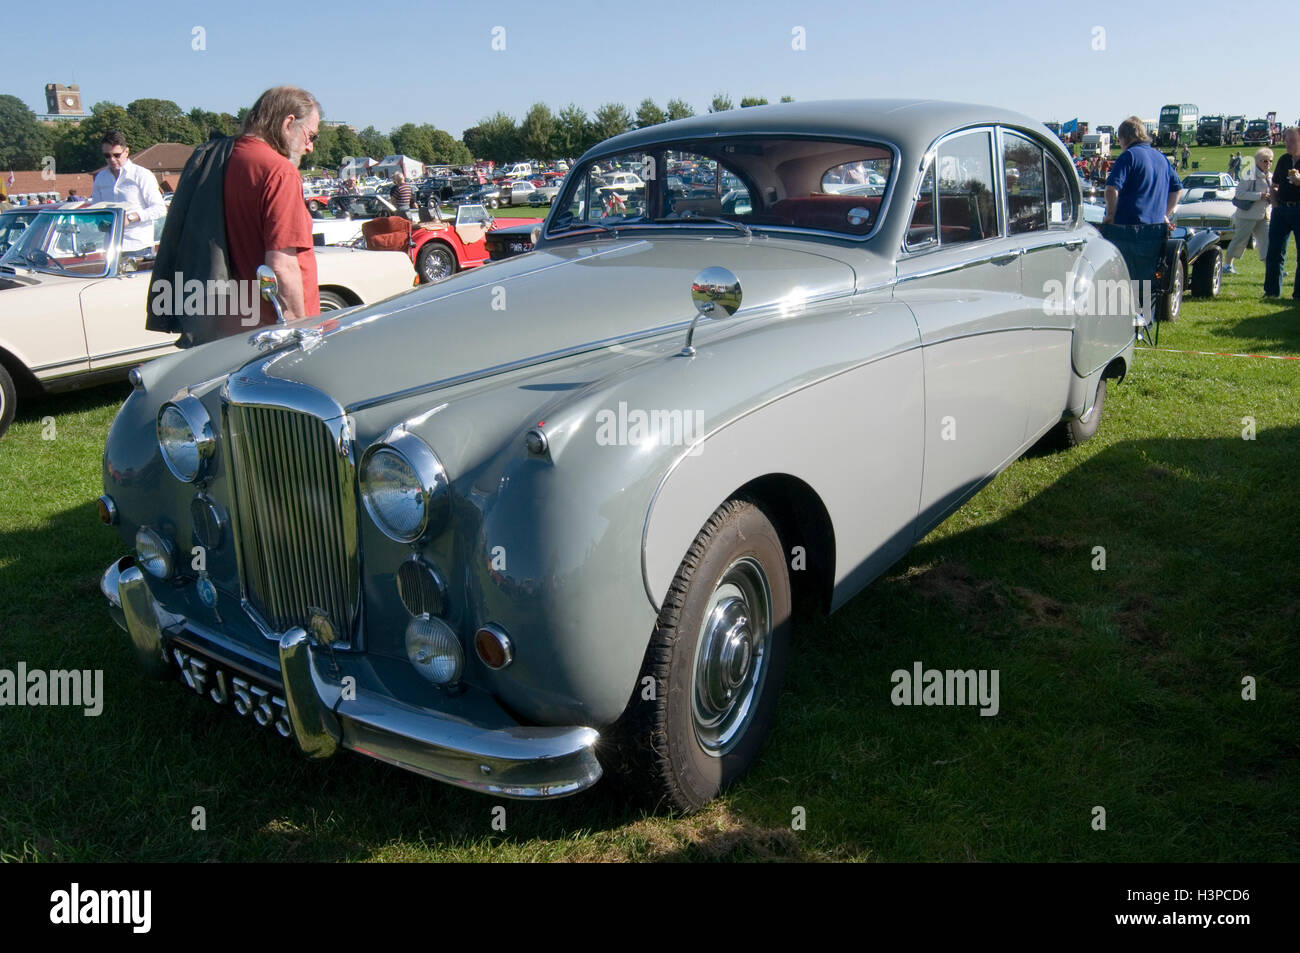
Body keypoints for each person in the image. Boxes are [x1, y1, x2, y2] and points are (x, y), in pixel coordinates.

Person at [224, 85, 322, 324]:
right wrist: (300, 330)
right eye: (311, 136)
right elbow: (282, 266)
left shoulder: (225, 160)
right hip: (273, 325)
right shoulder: (279, 171)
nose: (309, 147)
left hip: (230, 321)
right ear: (288, 123)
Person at [1103, 117, 1184, 324]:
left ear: (1124, 138)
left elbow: (1112, 188)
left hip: (1127, 229)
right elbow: (1177, 189)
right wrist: (1166, 213)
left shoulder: (1129, 156)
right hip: (1155, 230)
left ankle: (1120, 320)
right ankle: (1145, 318)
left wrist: (1110, 214)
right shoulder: (1161, 158)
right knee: (1148, 277)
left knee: (1122, 275)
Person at [91, 130, 166, 254]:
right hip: (110, 248)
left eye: (116, 155)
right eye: (107, 156)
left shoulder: (142, 175)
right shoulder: (100, 177)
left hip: (137, 246)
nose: (112, 159)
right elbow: (96, 210)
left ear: (126, 152)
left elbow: (159, 209)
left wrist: (130, 218)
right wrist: (100, 222)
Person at [1223, 148, 1273, 274]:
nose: (1268, 164)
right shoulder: (1249, 174)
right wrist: (1259, 196)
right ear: (1257, 161)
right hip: (1247, 215)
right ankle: (1227, 265)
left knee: (1267, 242)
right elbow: (1239, 193)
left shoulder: (1270, 175)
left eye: (1270, 161)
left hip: (1264, 215)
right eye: (1265, 161)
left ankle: (1271, 268)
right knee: (1240, 240)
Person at [1263, 127, 1300, 299]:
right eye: (1286, 140)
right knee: (1275, 252)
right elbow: (1275, 183)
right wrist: (1275, 203)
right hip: (1282, 210)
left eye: (1292, 140)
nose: (1287, 144)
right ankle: (1271, 292)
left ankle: (1298, 294)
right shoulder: (1284, 160)